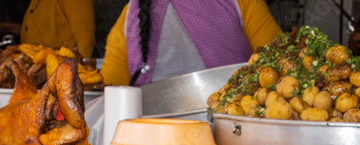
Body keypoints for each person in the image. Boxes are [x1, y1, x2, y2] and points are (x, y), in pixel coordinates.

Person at [100, 0, 281, 86]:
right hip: (236, 134)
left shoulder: (130, 16)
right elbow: (283, 62)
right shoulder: (241, 3)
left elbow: (110, 90)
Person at [0, 0, 97, 60]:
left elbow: (85, 40)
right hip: (38, 76)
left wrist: (77, 77)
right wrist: (3, 27)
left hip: (61, 77)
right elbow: (37, 30)